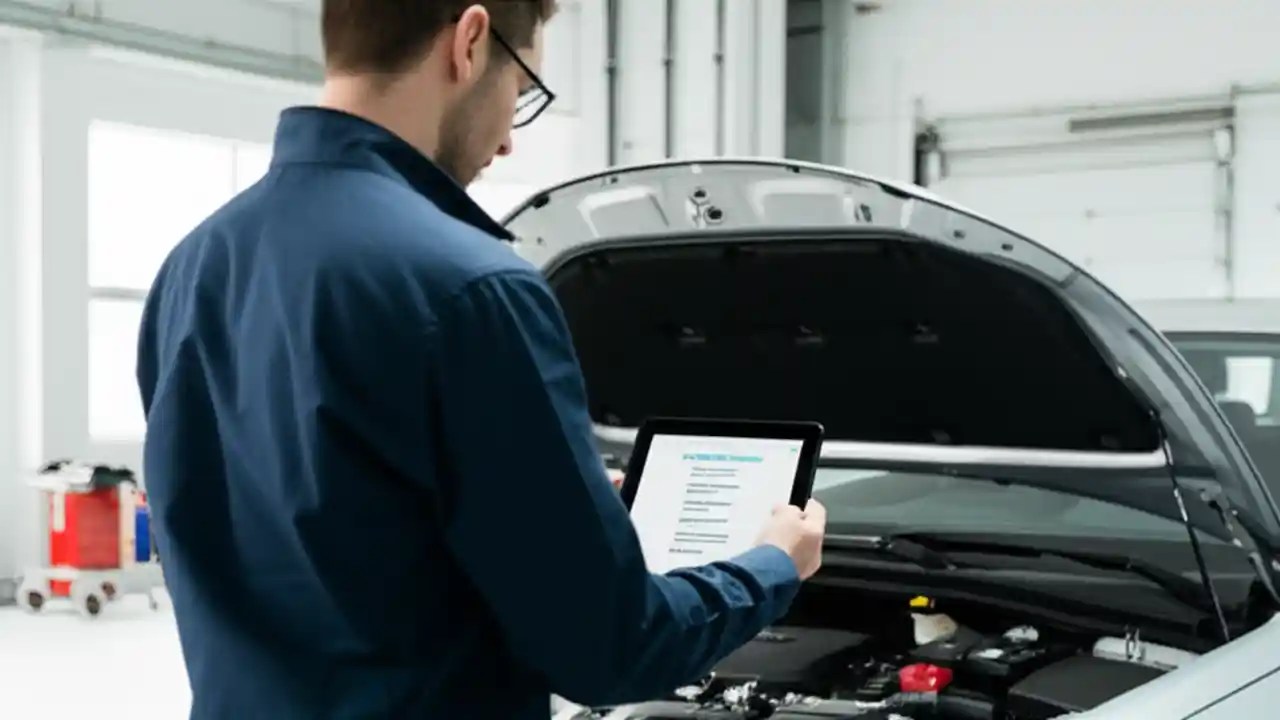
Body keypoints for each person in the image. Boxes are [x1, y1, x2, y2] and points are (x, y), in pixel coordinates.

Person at [135, 2, 828, 718]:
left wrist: (556, 501)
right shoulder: (471, 287)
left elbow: (323, 523)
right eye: (522, 93)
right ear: (469, 42)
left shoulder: (192, 268)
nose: (505, 144)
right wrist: (772, 565)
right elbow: (614, 649)